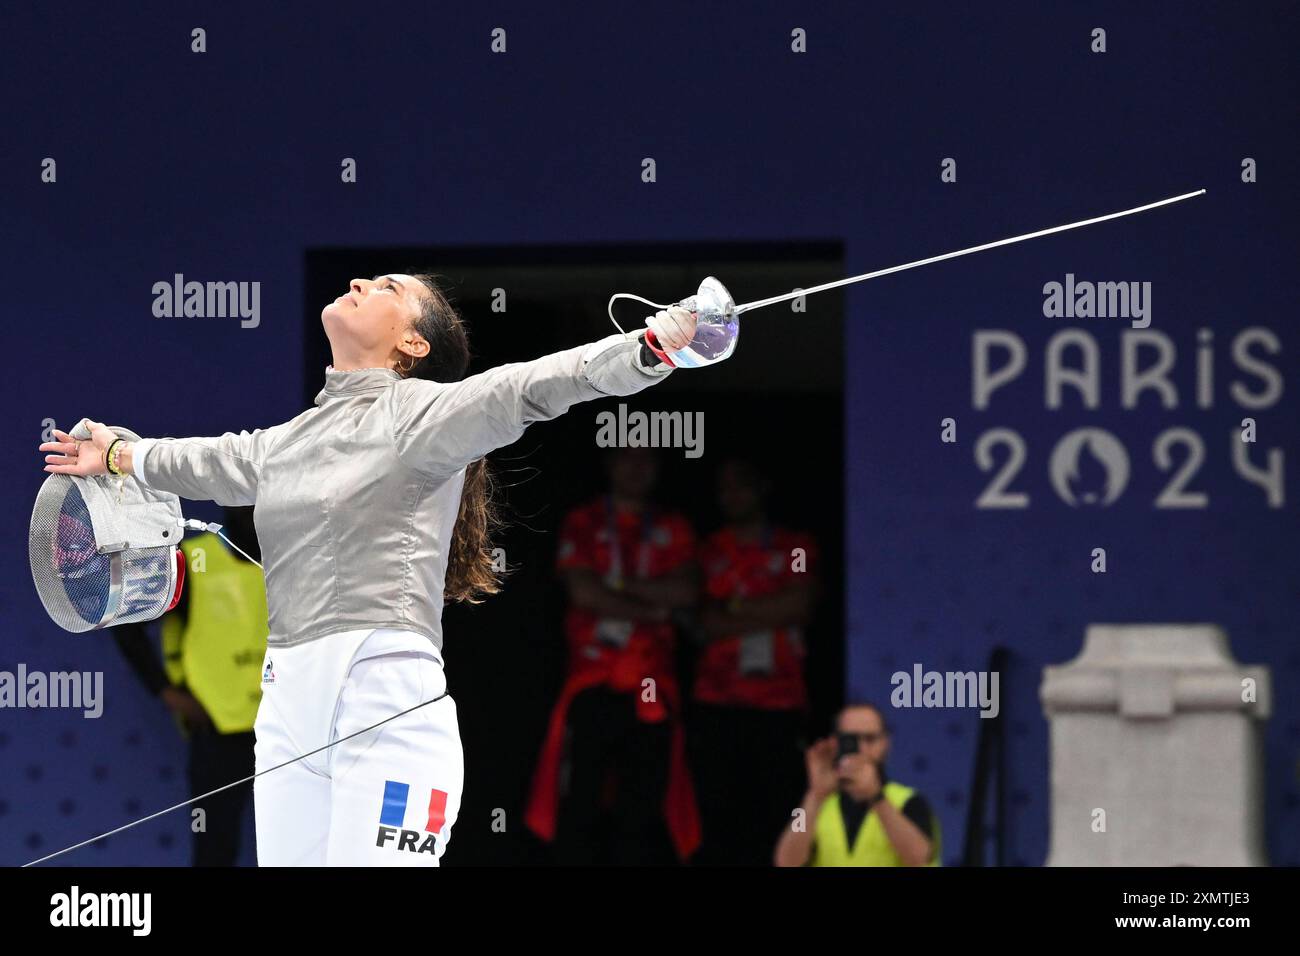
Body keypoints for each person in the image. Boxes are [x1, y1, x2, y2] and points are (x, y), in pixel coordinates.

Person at [39, 272, 710, 866]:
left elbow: (538, 386)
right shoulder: (287, 441)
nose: (362, 282)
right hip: (286, 710)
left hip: (386, 699)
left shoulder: (427, 415)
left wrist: (654, 347)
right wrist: (119, 455)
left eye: (388, 288)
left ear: (412, 344)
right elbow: (204, 462)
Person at [524, 447, 700, 865]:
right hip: (591, 683)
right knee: (579, 804)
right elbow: (582, 592)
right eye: (627, 458)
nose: (637, 469)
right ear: (609, 465)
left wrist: (614, 587)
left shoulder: (674, 526)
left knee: (643, 812)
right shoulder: (583, 522)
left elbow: (689, 592)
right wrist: (655, 607)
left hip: (653, 689)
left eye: (647, 460)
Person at [112, 505, 266, 866]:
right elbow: (127, 621)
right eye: (241, 500)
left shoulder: (295, 561)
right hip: (216, 729)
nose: (250, 511)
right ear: (227, 504)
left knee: (305, 844)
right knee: (214, 847)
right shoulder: (193, 562)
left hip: (290, 728)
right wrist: (165, 691)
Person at [689, 458, 818, 865]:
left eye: (741, 485)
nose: (733, 495)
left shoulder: (795, 546)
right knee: (719, 820)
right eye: (724, 488)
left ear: (762, 488)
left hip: (780, 702)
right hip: (717, 701)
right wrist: (768, 608)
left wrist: (734, 610)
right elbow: (704, 620)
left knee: (780, 817)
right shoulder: (706, 550)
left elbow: (800, 605)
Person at [774, 702, 941, 867]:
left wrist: (877, 798)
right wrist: (814, 796)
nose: (861, 748)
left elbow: (921, 857)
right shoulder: (809, 807)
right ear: (835, 742)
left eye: (869, 739)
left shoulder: (910, 800)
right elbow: (786, 860)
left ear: (885, 743)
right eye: (851, 739)